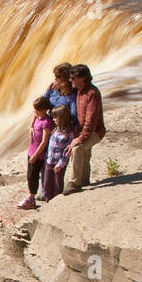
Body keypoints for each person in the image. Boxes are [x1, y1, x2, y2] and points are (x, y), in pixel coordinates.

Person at [64, 65, 106, 193]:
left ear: (82, 78)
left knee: (77, 149)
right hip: (82, 131)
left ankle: (75, 183)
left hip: (95, 132)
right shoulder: (78, 91)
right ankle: (84, 179)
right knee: (85, 154)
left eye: (72, 78)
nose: (70, 80)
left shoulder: (92, 93)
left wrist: (80, 138)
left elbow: (91, 120)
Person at [18, 96, 54, 210]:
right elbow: (34, 119)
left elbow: (44, 141)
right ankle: (33, 196)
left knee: (35, 176)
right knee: (30, 175)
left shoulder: (46, 122)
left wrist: (35, 156)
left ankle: (32, 198)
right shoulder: (38, 117)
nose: (35, 112)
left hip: (39, 155)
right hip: (31, 150)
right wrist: (31, 127)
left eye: (37, 110)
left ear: (44, 110)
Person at [43, 104, 75, 200]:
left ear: (62, 118)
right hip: (49, 161)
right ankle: (48, 199)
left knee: (57, 183)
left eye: (55, 117)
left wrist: (61, 163)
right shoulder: (55, 129)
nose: (53, 119)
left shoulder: (69, 133)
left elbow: (67, 152)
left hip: (59, 163)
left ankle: (57, 200)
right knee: (47, 182)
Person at [42, 63, 79, 132]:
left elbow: (74, 118)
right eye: (55, 76)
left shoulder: (73, 96)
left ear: (67, 78)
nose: (55, 78)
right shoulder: (52, 88)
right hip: (46, 125)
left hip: (60, 129)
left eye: (58, 76)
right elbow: (41, 103)